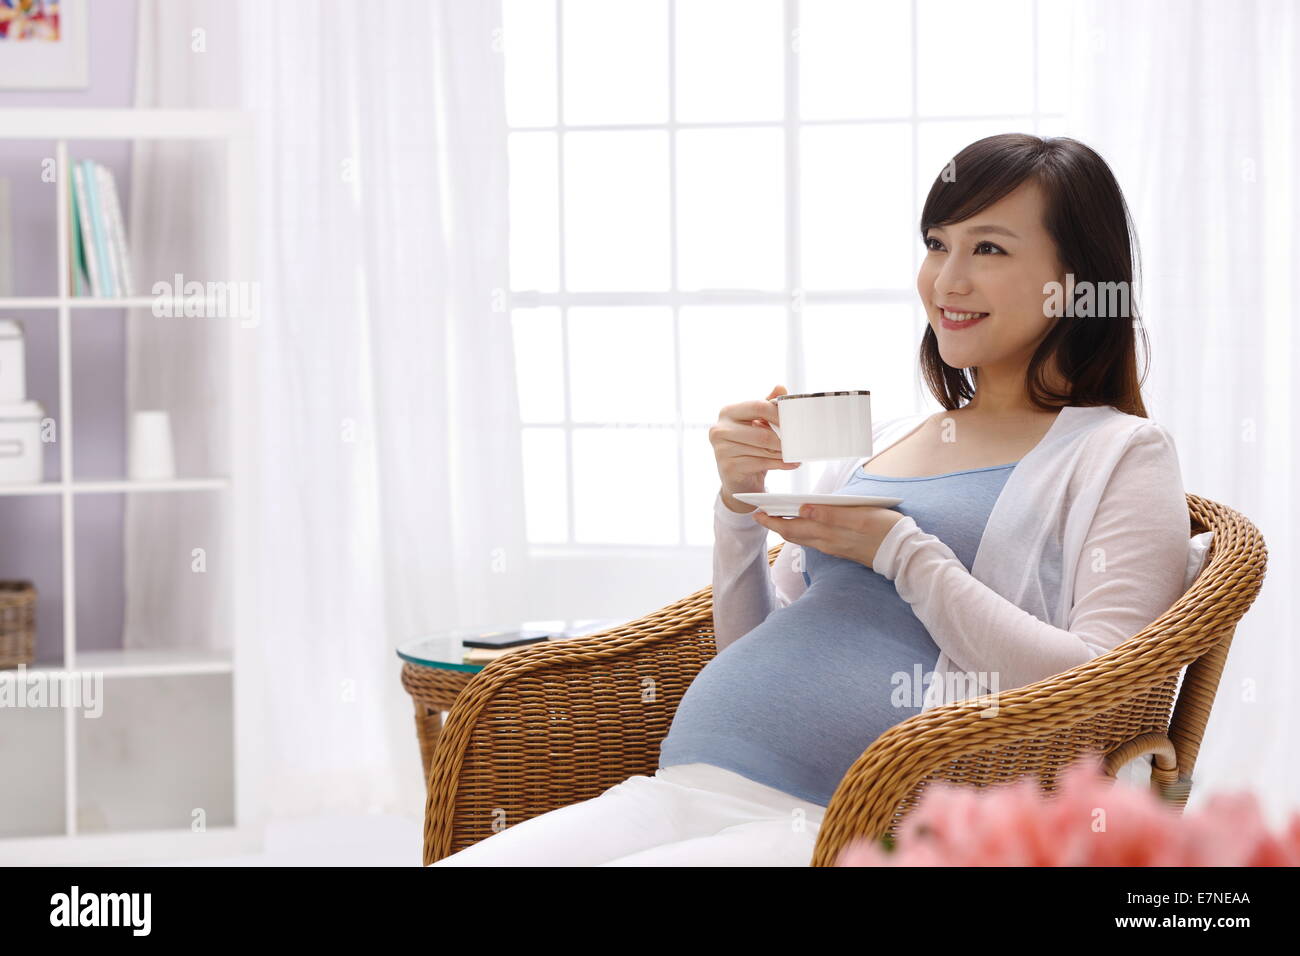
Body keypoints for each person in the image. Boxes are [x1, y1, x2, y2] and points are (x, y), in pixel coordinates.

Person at [430, 133, 1191, 867]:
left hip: (846, 826)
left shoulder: (1118, 454)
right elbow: (757, 642)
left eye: (988, 249)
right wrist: (738, 507)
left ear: (1075, 278)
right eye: (936, 243)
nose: (946, 280)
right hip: (680, 787)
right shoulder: (888, 437)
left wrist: (903, 554)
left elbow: (1101, 690)